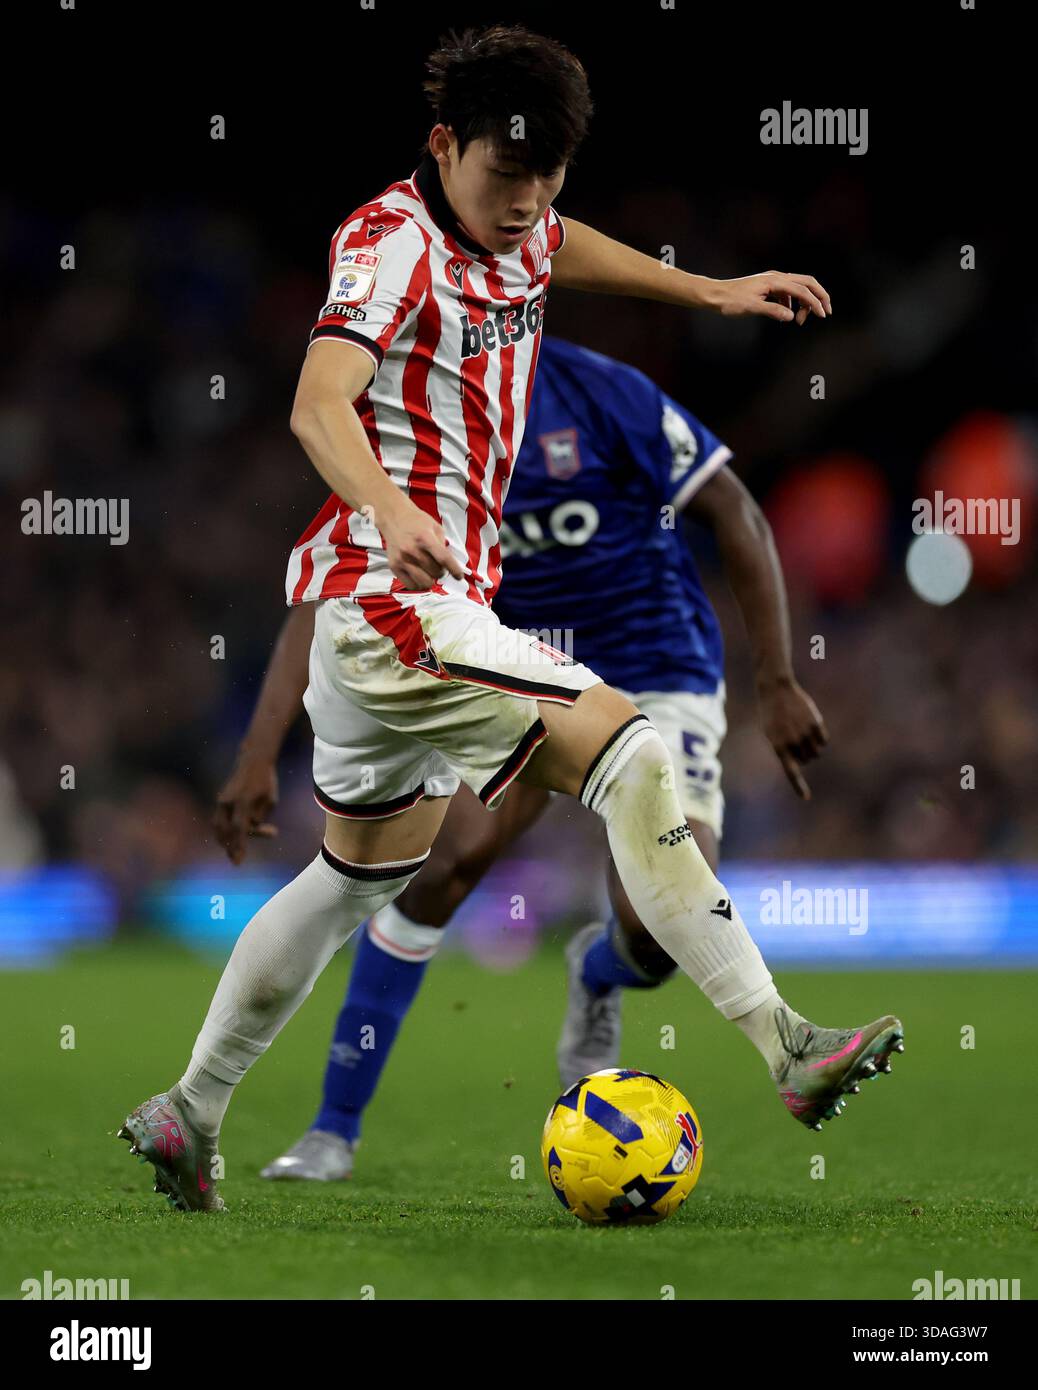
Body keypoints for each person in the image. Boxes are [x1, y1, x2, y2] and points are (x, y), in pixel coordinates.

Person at [119, 24, 900, 1213]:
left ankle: (191, 1108)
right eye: (500, 184)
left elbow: (563, 247)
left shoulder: (527, 226)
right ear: (442, 145)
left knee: (349, 880)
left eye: (543, 191)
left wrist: (707, 288)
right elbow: (315, 404)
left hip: (380, 624)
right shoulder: (387, 243)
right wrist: (388, 507)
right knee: (631, 748)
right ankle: (786, 1044)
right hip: (397, 599)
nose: (522, 213)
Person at [225, 334, 834, 1183]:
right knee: (442, 867)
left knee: (655, 935)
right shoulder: (417, 418)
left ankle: (597, 966)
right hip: (515, 659)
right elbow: (341, 585)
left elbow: (734, 509)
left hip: (657, 665)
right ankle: (332, 1129)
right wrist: (260, 752)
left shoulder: (605, 392)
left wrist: (775, 678)